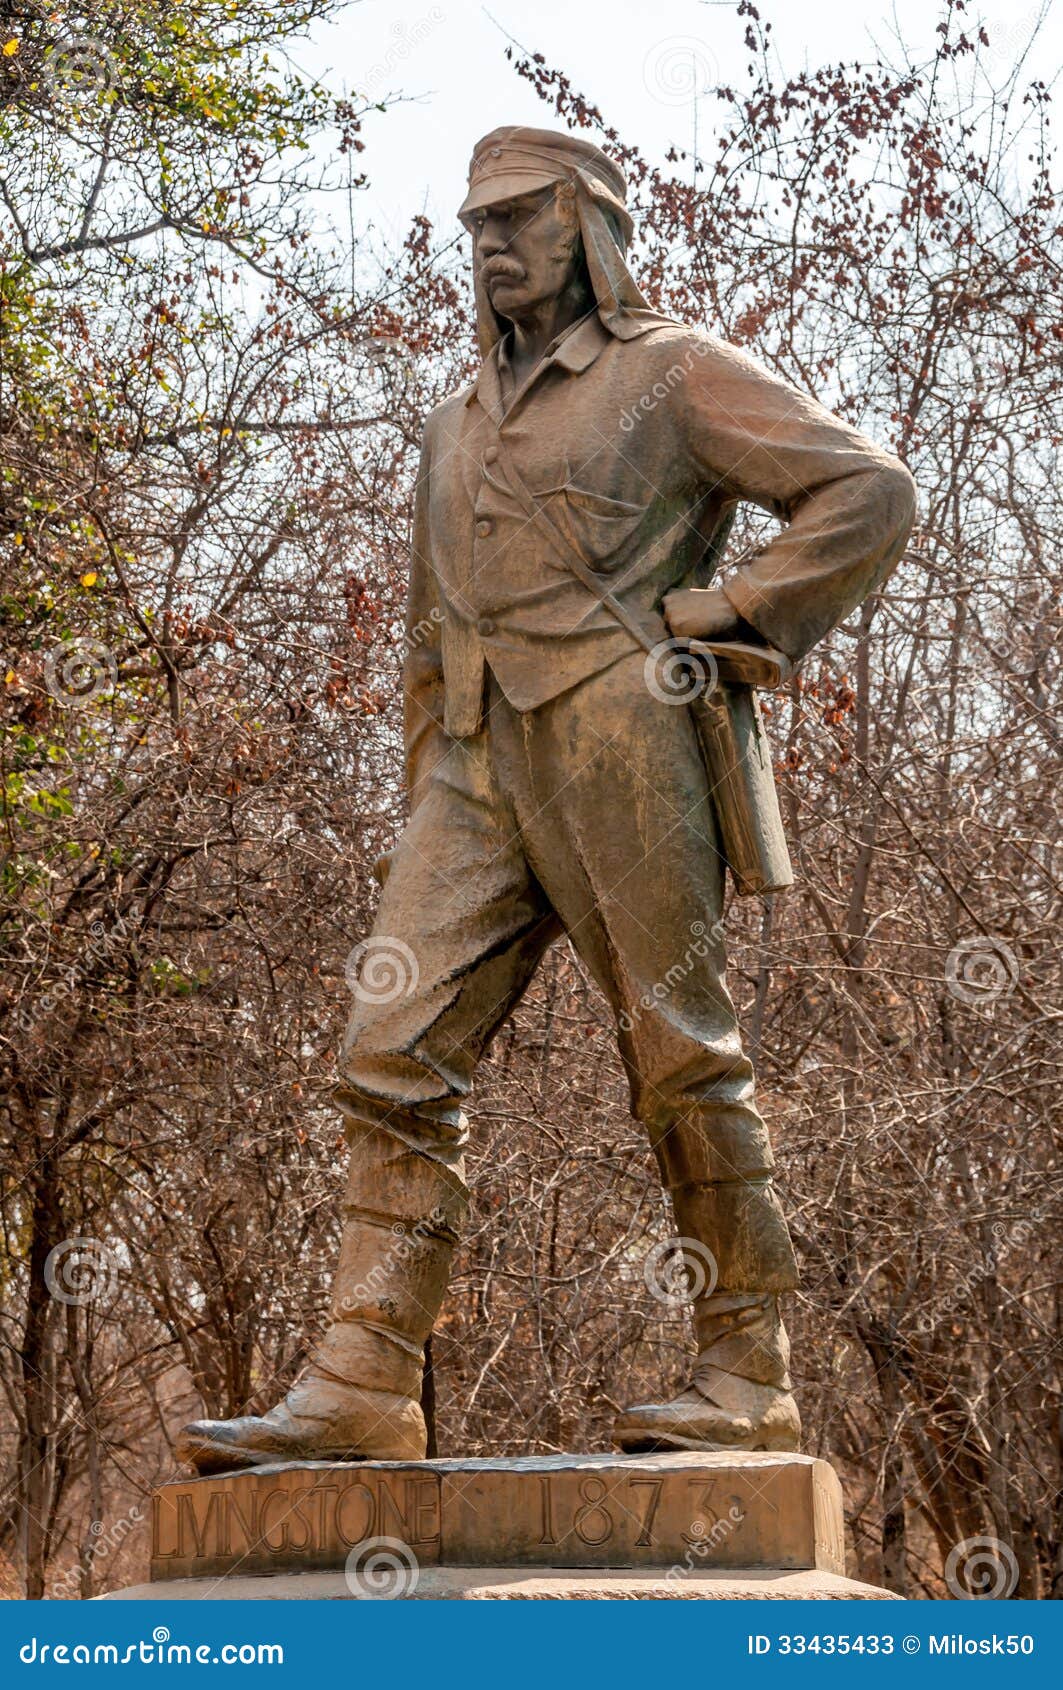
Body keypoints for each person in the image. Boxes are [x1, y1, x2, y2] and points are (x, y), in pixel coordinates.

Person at [177, 126, 915, 1473]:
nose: (493, 241)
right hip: (472, 760)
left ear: (591, 224)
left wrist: (726, 616)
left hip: (619, 733)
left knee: (680, 1051)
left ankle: (751, 1368)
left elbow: (866, 490)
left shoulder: (673, 372)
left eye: (521, 216)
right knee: (385, 1052)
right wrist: (423, 787)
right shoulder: (456, 413)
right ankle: (362, 1380)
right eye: (479, 224)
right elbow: (425, 621)